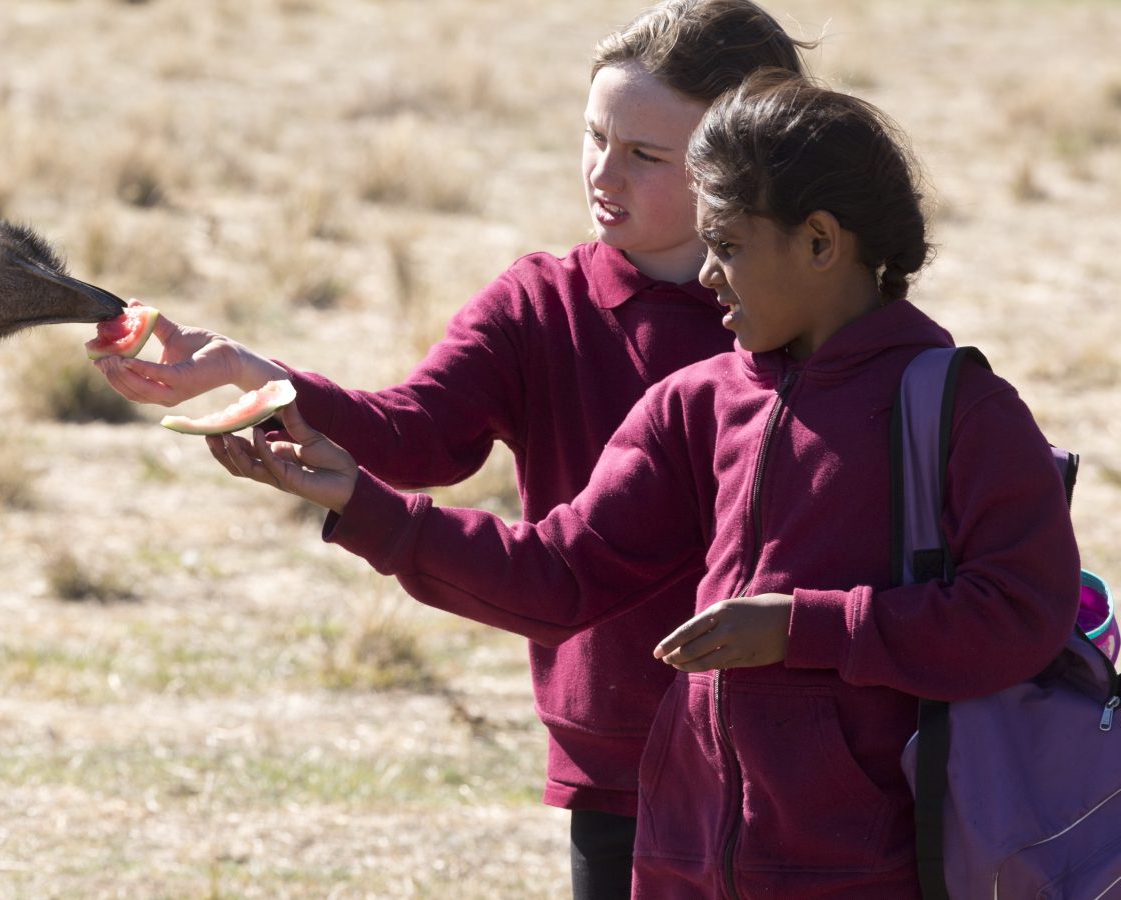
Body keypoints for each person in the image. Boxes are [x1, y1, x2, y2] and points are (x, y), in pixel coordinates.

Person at [205, 70, 1080, 896]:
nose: (705, 274)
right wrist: (362, 505)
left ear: (820, 242)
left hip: (880, 872)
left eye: (728, 245)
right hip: (683, 865)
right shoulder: (697, 403)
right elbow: (558, 577)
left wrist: (804, 628)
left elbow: (1021, 614)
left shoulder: (957, 407)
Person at [98, 3, 812, 895]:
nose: (603, 170)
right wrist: (254, 375)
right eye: (594, 135)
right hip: (616, 764)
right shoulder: (540, 304)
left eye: (646, 155)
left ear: (743, 163)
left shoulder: (808, 316)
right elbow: (416, 434)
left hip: (796, 761)